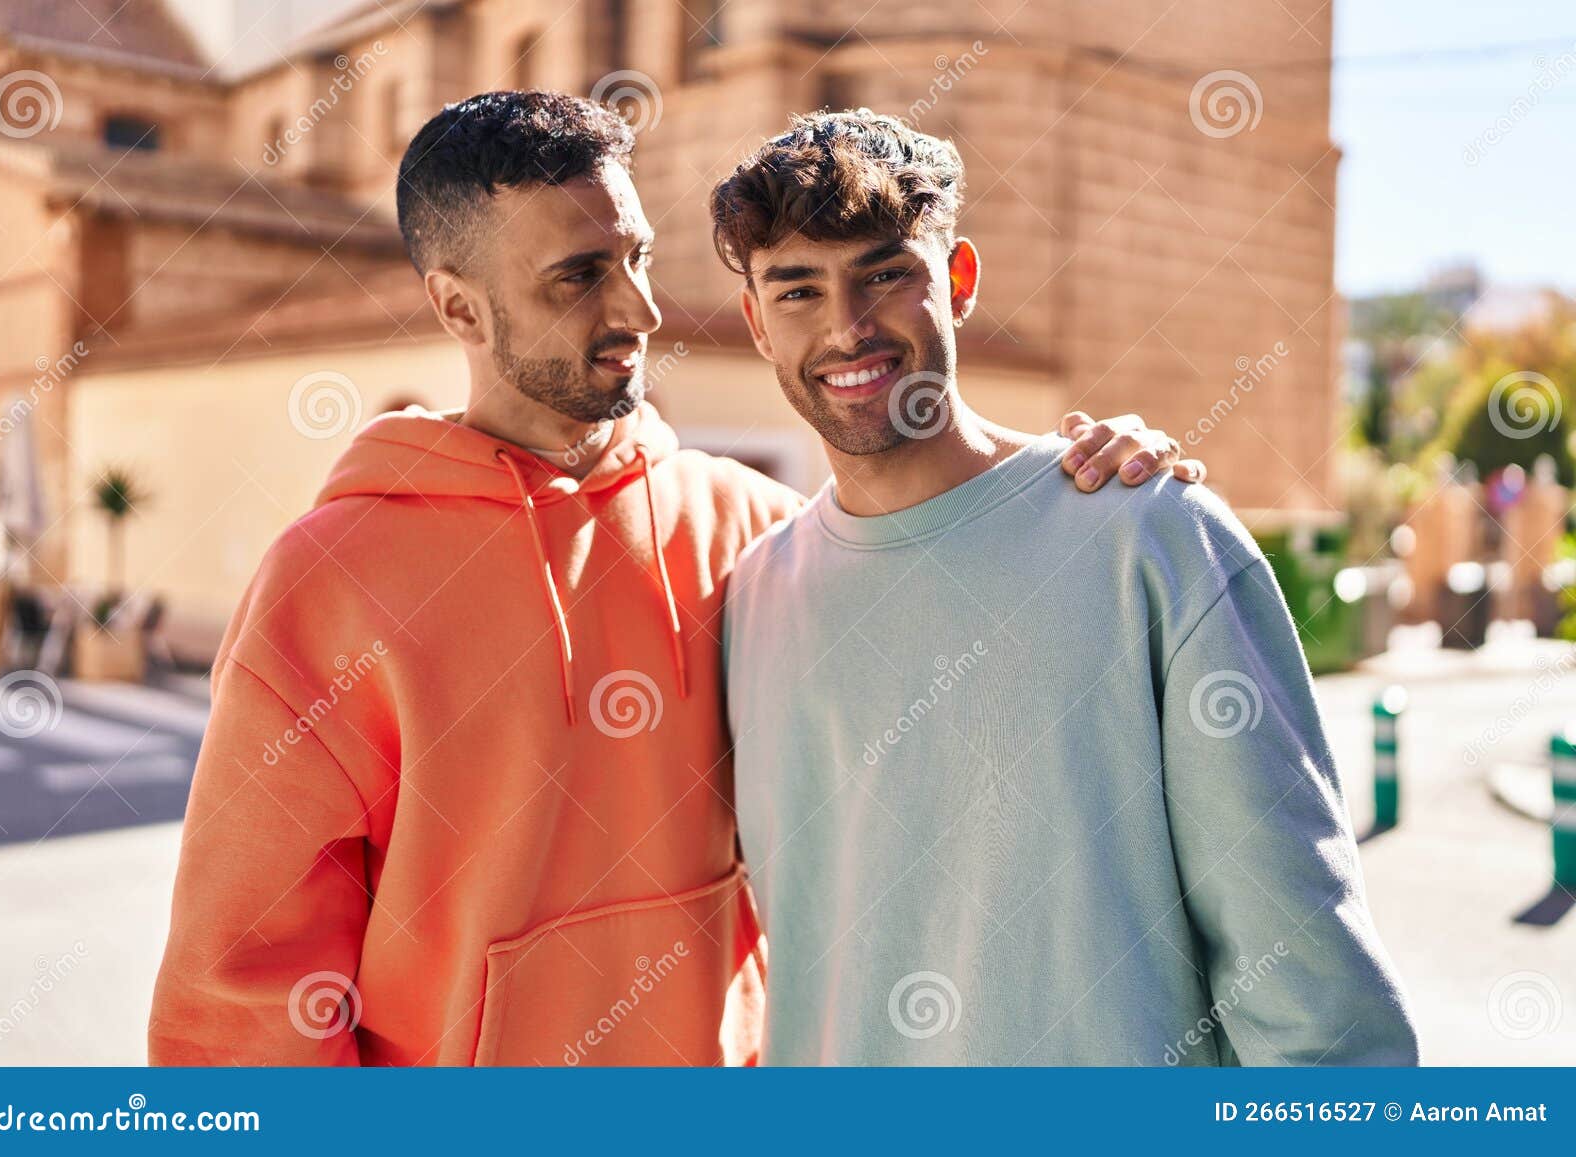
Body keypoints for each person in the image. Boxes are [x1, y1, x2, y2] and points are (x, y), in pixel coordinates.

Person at [148, 92, 1201, 1066]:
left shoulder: (755, 530)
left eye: (637, 256)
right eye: (579, 276)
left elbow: (950, 606)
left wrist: (1076, 477)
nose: (642, 308)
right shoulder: (331, 578)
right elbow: (240, 993)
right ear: (459, 308)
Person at [717, 109, 1420, 1065]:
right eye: (798, 290)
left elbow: (1313, 993)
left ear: (959, 280)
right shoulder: (752, 598)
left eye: (885, 274)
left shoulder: (1149, 536)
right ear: (757, 323)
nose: (847, 327)